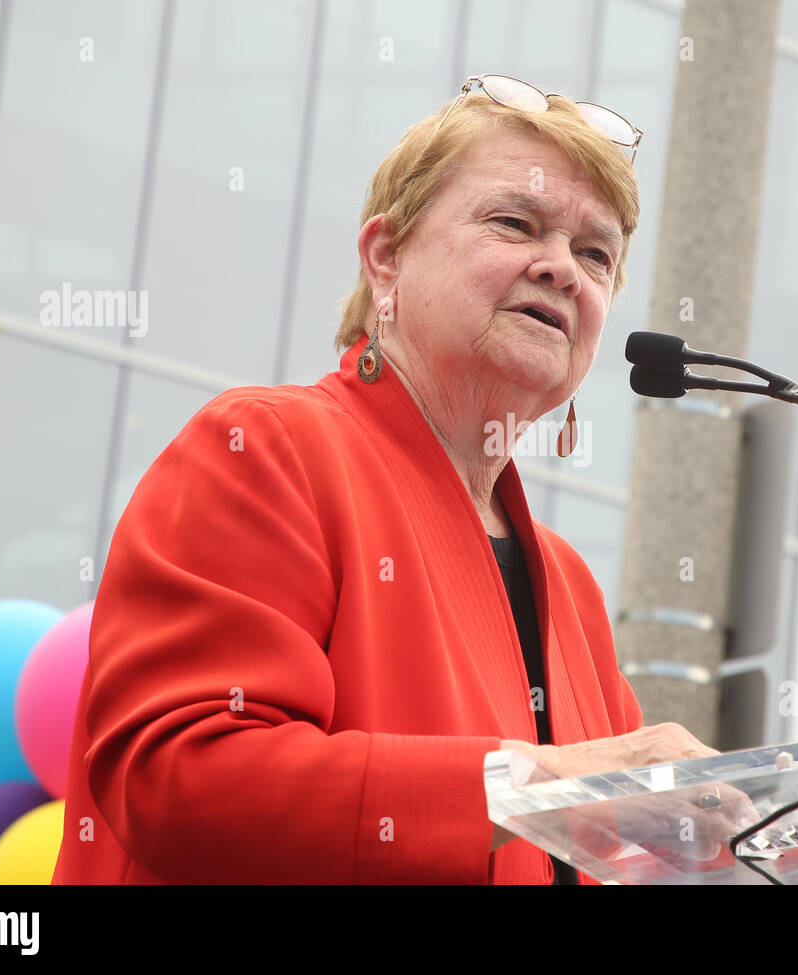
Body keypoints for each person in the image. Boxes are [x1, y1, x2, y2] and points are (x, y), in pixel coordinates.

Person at [52, 74, 721, 885]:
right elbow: (183, 782)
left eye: (595, 254)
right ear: (385, 257)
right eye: (516, 223)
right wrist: (551, 784)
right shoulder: (265, 447)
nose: (562, 270)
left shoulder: (572, 589)